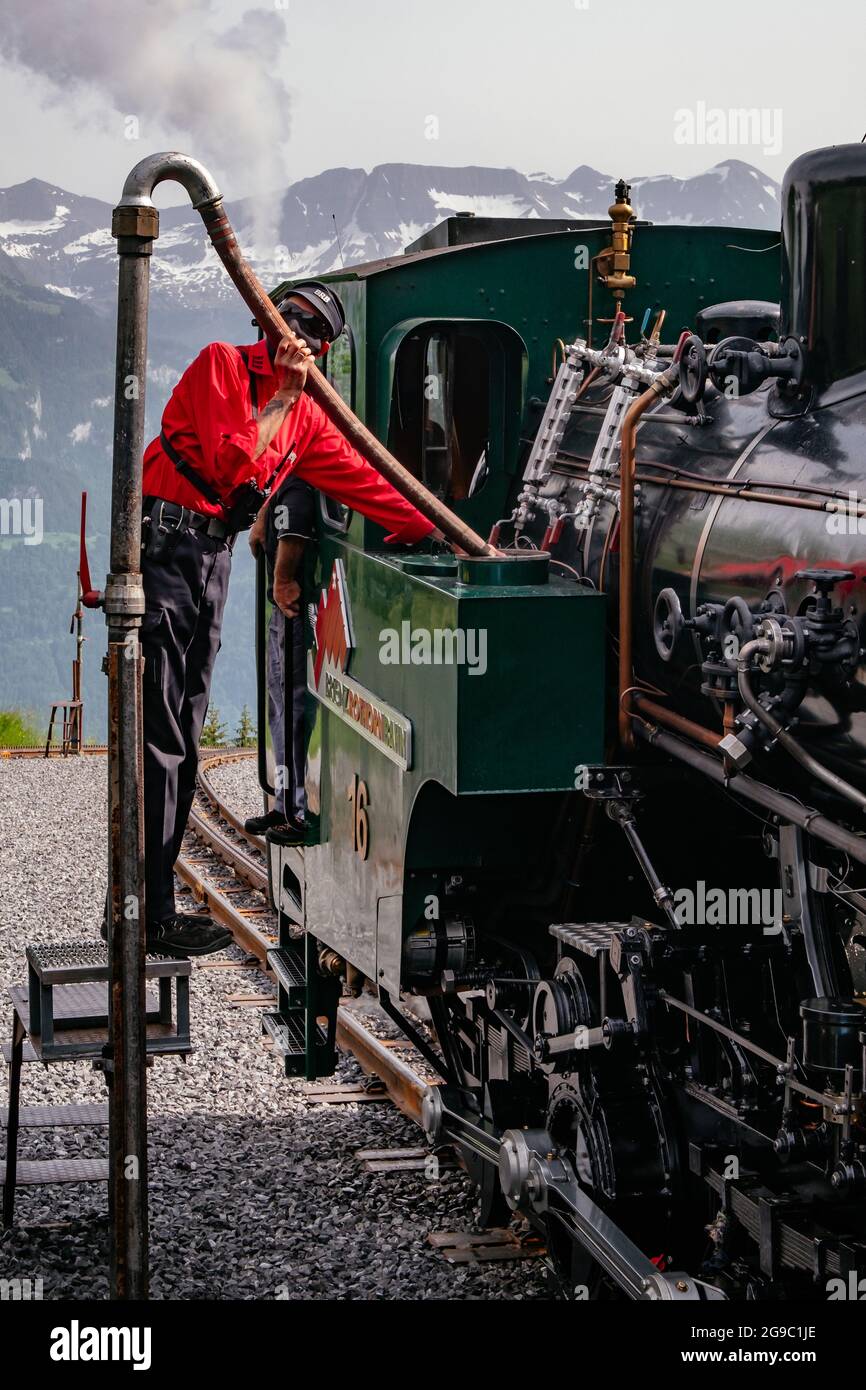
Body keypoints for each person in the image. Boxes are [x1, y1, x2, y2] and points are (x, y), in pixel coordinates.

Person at [137, 281, 440, 957]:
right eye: (286, 322)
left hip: (207, 557)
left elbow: (365, 481)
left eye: (308, 329)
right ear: (264, 326)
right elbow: (236, 466)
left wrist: (436, 531)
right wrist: (284, 394)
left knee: (181, 736)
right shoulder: (222, 365)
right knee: (161, 740)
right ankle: (147, 913)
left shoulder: (305, 419)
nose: (293, 335)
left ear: (325, 348)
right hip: (165, 548)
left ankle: (152, 906)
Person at [244, 471, 314, 844]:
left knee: (291, 706)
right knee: (280, 705)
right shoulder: (287, 473)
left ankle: (296, 810)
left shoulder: (300, 474)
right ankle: (284, 799)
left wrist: (282, 579)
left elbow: (295, 523)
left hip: (291, 609)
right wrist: (260, 518)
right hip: (280, 611)